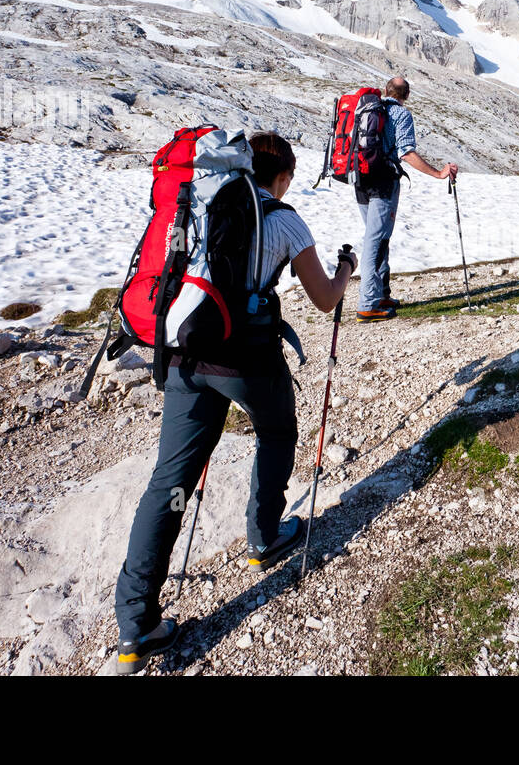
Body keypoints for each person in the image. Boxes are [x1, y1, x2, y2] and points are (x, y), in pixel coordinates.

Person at [114, 131, 357, 674]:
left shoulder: (208, 210)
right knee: (277, 432)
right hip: (243, 358)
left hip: (181, 350)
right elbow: (323, 299)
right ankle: (265, 535)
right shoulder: (284, 217)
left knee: (170, 479)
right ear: (284, 176)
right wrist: (345, 271)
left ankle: (135, 626)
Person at [356, 76, 458, 322]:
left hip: (359, 180)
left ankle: (381, 294)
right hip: (383, 182)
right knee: (375, 240)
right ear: (407, 94)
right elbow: (405, 152)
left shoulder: (365, 109)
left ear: (386, 91)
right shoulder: (401, 115)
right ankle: (367, 305)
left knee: (378, 238)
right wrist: (437, 173)